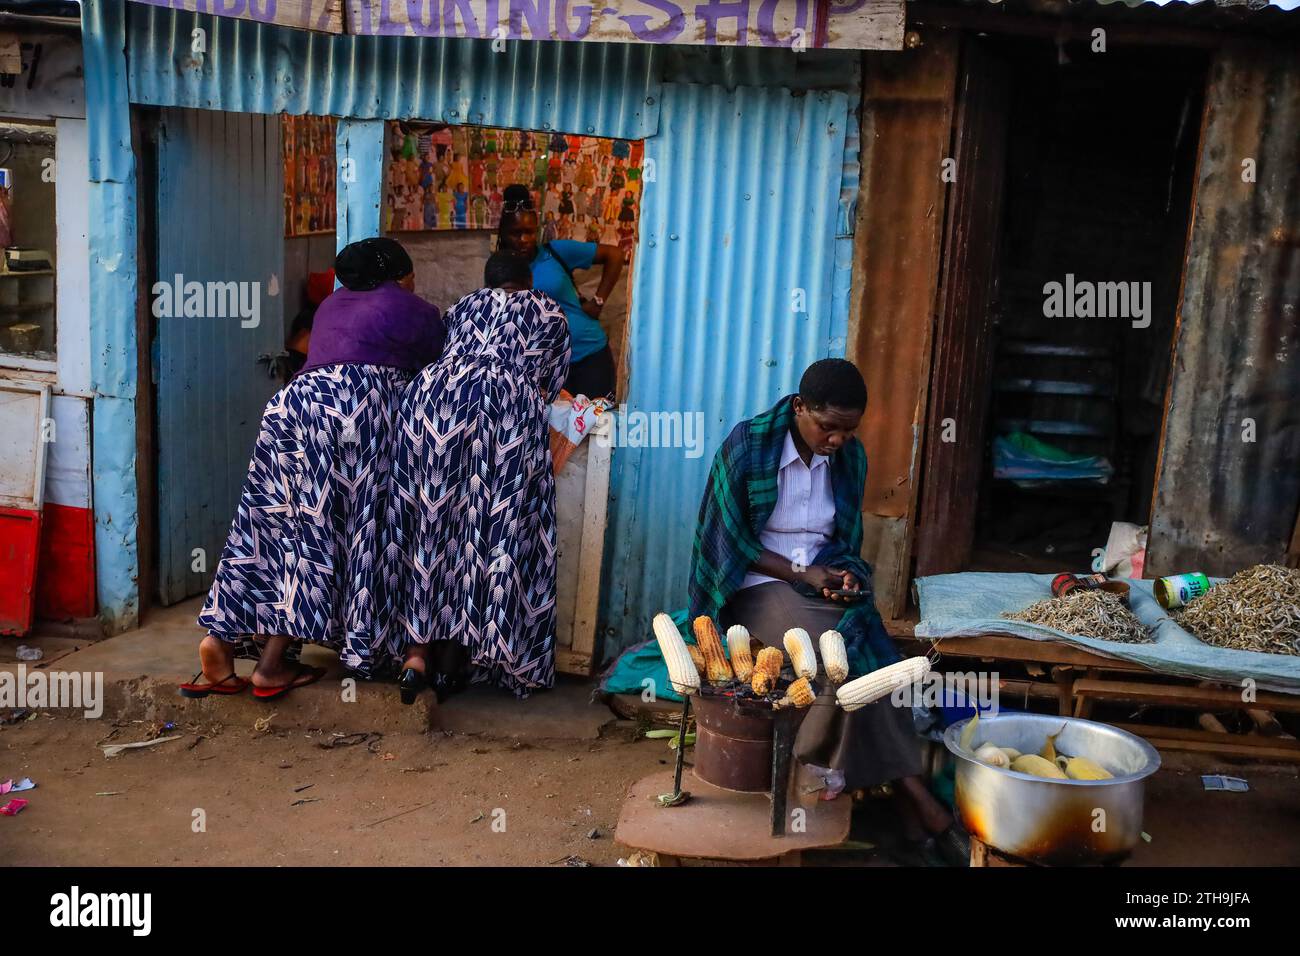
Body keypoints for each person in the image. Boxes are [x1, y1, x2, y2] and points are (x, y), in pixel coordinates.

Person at [691, 358, 968, 866]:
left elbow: (841, 542)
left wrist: (842, 576)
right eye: (828, 427)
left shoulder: (848, 458)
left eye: (848, 430)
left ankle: (904, 800)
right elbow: (728, 542)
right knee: (843, 661)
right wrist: (801, 574)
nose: (837, 440)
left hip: (816, 582)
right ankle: (916, 801)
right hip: (756, 583)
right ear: (800, 408)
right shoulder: (748, 447)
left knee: (878, 663)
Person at [183, 238, 446, 701]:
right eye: (409, 273)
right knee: (320, 535)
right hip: (352, 417)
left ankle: (218, 641)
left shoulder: (329, 306)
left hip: (292, 407)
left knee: (266, 528)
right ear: (399, 275)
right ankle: (269, 667)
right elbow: (437, 370)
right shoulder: (414, 311)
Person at [382, 251, 570, 702]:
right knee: (488, 531)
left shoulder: (461, 307)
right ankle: (458, 662)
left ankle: (416, 655)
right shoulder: (547, 311)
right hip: (503, 410)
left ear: (487, 282)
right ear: (527, 281)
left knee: (432, 526)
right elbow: (554, 379)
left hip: (434, 401)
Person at [496, 183, 624, 399]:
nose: (523, 240)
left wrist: (598, 301)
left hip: (590, 355)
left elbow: (615, 255)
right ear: (503, 233)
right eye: (515, 233)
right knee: (557, 432)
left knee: (601, 427)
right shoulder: (500, 269)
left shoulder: (556, 251)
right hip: (547, 369)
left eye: (529, 232)